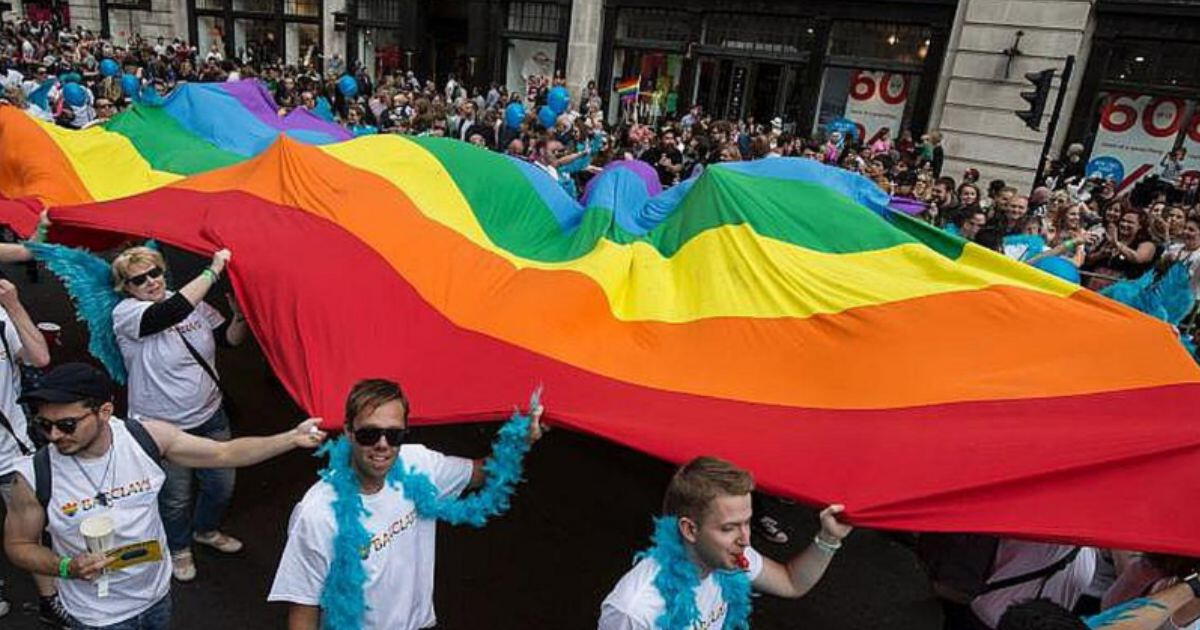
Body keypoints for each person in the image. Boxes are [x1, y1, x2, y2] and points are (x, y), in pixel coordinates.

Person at [2, 362, 325, 630]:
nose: (54, 435)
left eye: (67, 425)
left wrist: (291, 438)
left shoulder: (145, 438)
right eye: (44, 425)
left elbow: (224, 454)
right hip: (97, 617)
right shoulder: (33, 474)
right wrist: (65, 567)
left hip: (157, 597)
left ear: (104, 411)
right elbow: (18, 546)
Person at [269, 378, 546, 629]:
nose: (382, 444)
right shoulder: (317, 513)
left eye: (394, 434)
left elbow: (480, 473)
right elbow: (303, 608)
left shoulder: (420, 464)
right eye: (369, 434)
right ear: (348, 432)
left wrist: (519, 439)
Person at [109, 246, 249, 582]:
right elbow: (168, 313)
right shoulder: (127, 314)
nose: (150, 282)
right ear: (126, 288)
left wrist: (239, 318)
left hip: (211, 415)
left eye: (154, 273)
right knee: (175, 498)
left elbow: (226, 340)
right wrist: (213, 270)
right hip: (164, 428)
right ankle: (179, 547)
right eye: (138, 279)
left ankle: (206, 530)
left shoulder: (192, 301)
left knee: (222, 486)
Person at [598, 456, 852, 630]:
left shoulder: (730, 557)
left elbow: (791, 583)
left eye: (747, 522)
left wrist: (829, 538)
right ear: (689, 529)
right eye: (729, 528)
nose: (745, 539)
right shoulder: (635, 611)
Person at [0, 243, 69, 626]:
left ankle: (49, 600)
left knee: (30, 525)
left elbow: (40, 357)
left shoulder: (2, 317)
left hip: (10, 449)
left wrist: (13, 306)